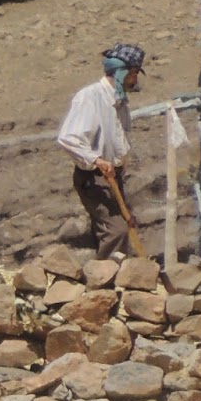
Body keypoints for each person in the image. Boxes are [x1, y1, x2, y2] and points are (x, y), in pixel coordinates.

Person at [56, 43, 146, 261]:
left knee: (126, 224)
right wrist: (96, 160)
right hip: (95, 177)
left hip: (114, 175)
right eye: (133, 73)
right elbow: (69, 137)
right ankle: (102, 281)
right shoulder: (90, 97)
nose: (135, 80)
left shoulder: (119, 101)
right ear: (122, 72)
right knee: (117, 231)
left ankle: (122, 279)